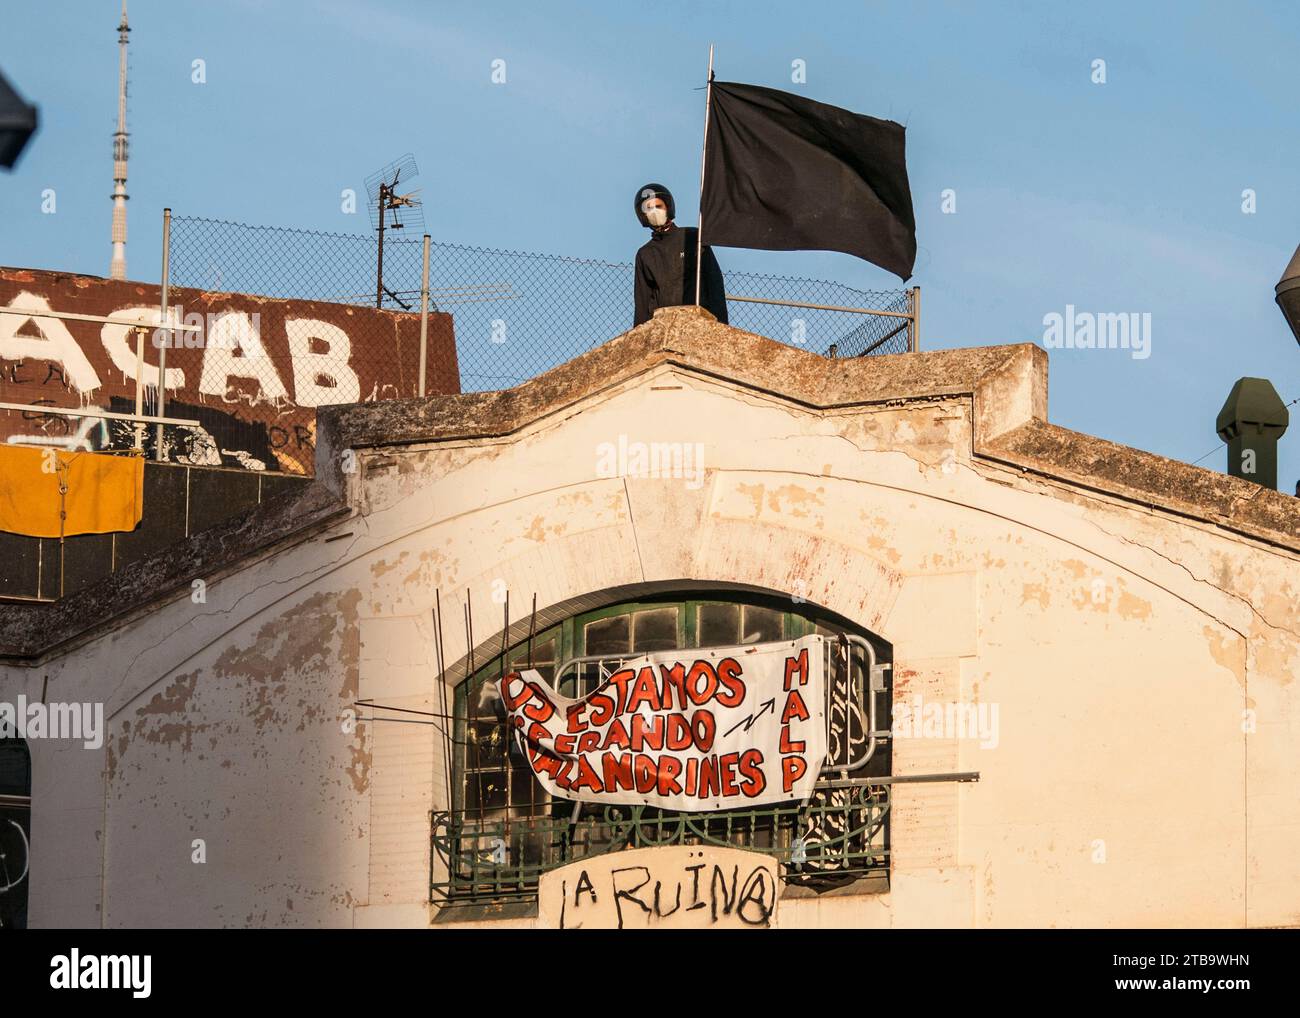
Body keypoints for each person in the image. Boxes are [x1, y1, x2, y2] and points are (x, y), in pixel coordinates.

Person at [632, 183, 729, 327]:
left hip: (697, 318)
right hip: (663, 324)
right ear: (643, 215)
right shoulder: (645, 254)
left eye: (658, 206)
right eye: (649, 208)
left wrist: (721, 324)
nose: (654, 211)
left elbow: (713, 282)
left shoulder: (692, 237)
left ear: (668, 208)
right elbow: (643, 300)